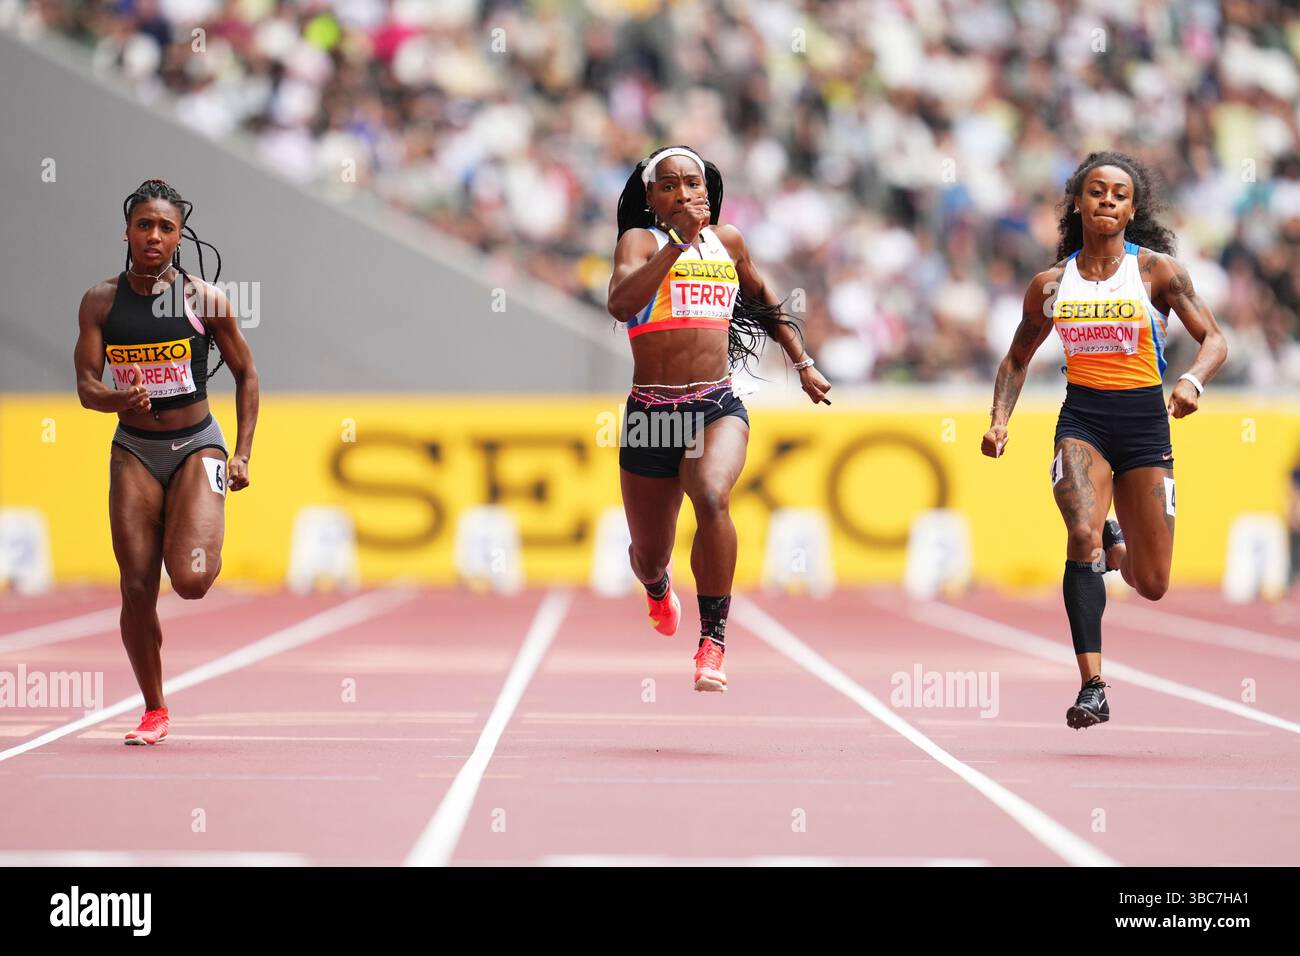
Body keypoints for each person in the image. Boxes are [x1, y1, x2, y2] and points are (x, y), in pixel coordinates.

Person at [982, 151, 1227, 729]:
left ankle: (1119, 547)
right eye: (1097, 192)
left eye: (1119, 194)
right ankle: (1093, 683)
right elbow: (1017, 358)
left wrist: (1192, 381)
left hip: (1145, 425)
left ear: (1131, 208)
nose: (1107, 202)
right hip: (1083, 422)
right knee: (1080, 533)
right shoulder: (1050, 284)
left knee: (1153, 584)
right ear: (1079, 203)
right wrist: (999, 420)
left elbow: (1214, 339)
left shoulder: (1156, 273)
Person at [607, 145, 831, 692]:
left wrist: (801, 362)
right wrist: (676, 248)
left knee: (712, 496)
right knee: (648, 555)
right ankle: (658, 588)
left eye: (693, 183)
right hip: (652, 416)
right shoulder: (640, 242)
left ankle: (713, 640)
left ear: (708, 192)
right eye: (669, 186)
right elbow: (619, 303)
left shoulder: (728, 243)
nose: (683, 193)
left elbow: (762, 295)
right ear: (652, 199)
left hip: (714, 405)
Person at [73, 179, 260, 744]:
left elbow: (248, 374)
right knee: (135, 588)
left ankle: (195, 526)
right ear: (128, 231)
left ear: (181, 237)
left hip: (197, 445)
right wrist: (117, 399)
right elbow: (86, 387)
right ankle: (154, 708)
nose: (154, 236)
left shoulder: (205, 301)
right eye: (144, 225)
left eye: (166, 228)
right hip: (133, 450)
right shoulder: (101, 301)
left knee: (193, 580)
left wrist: (243, 452)